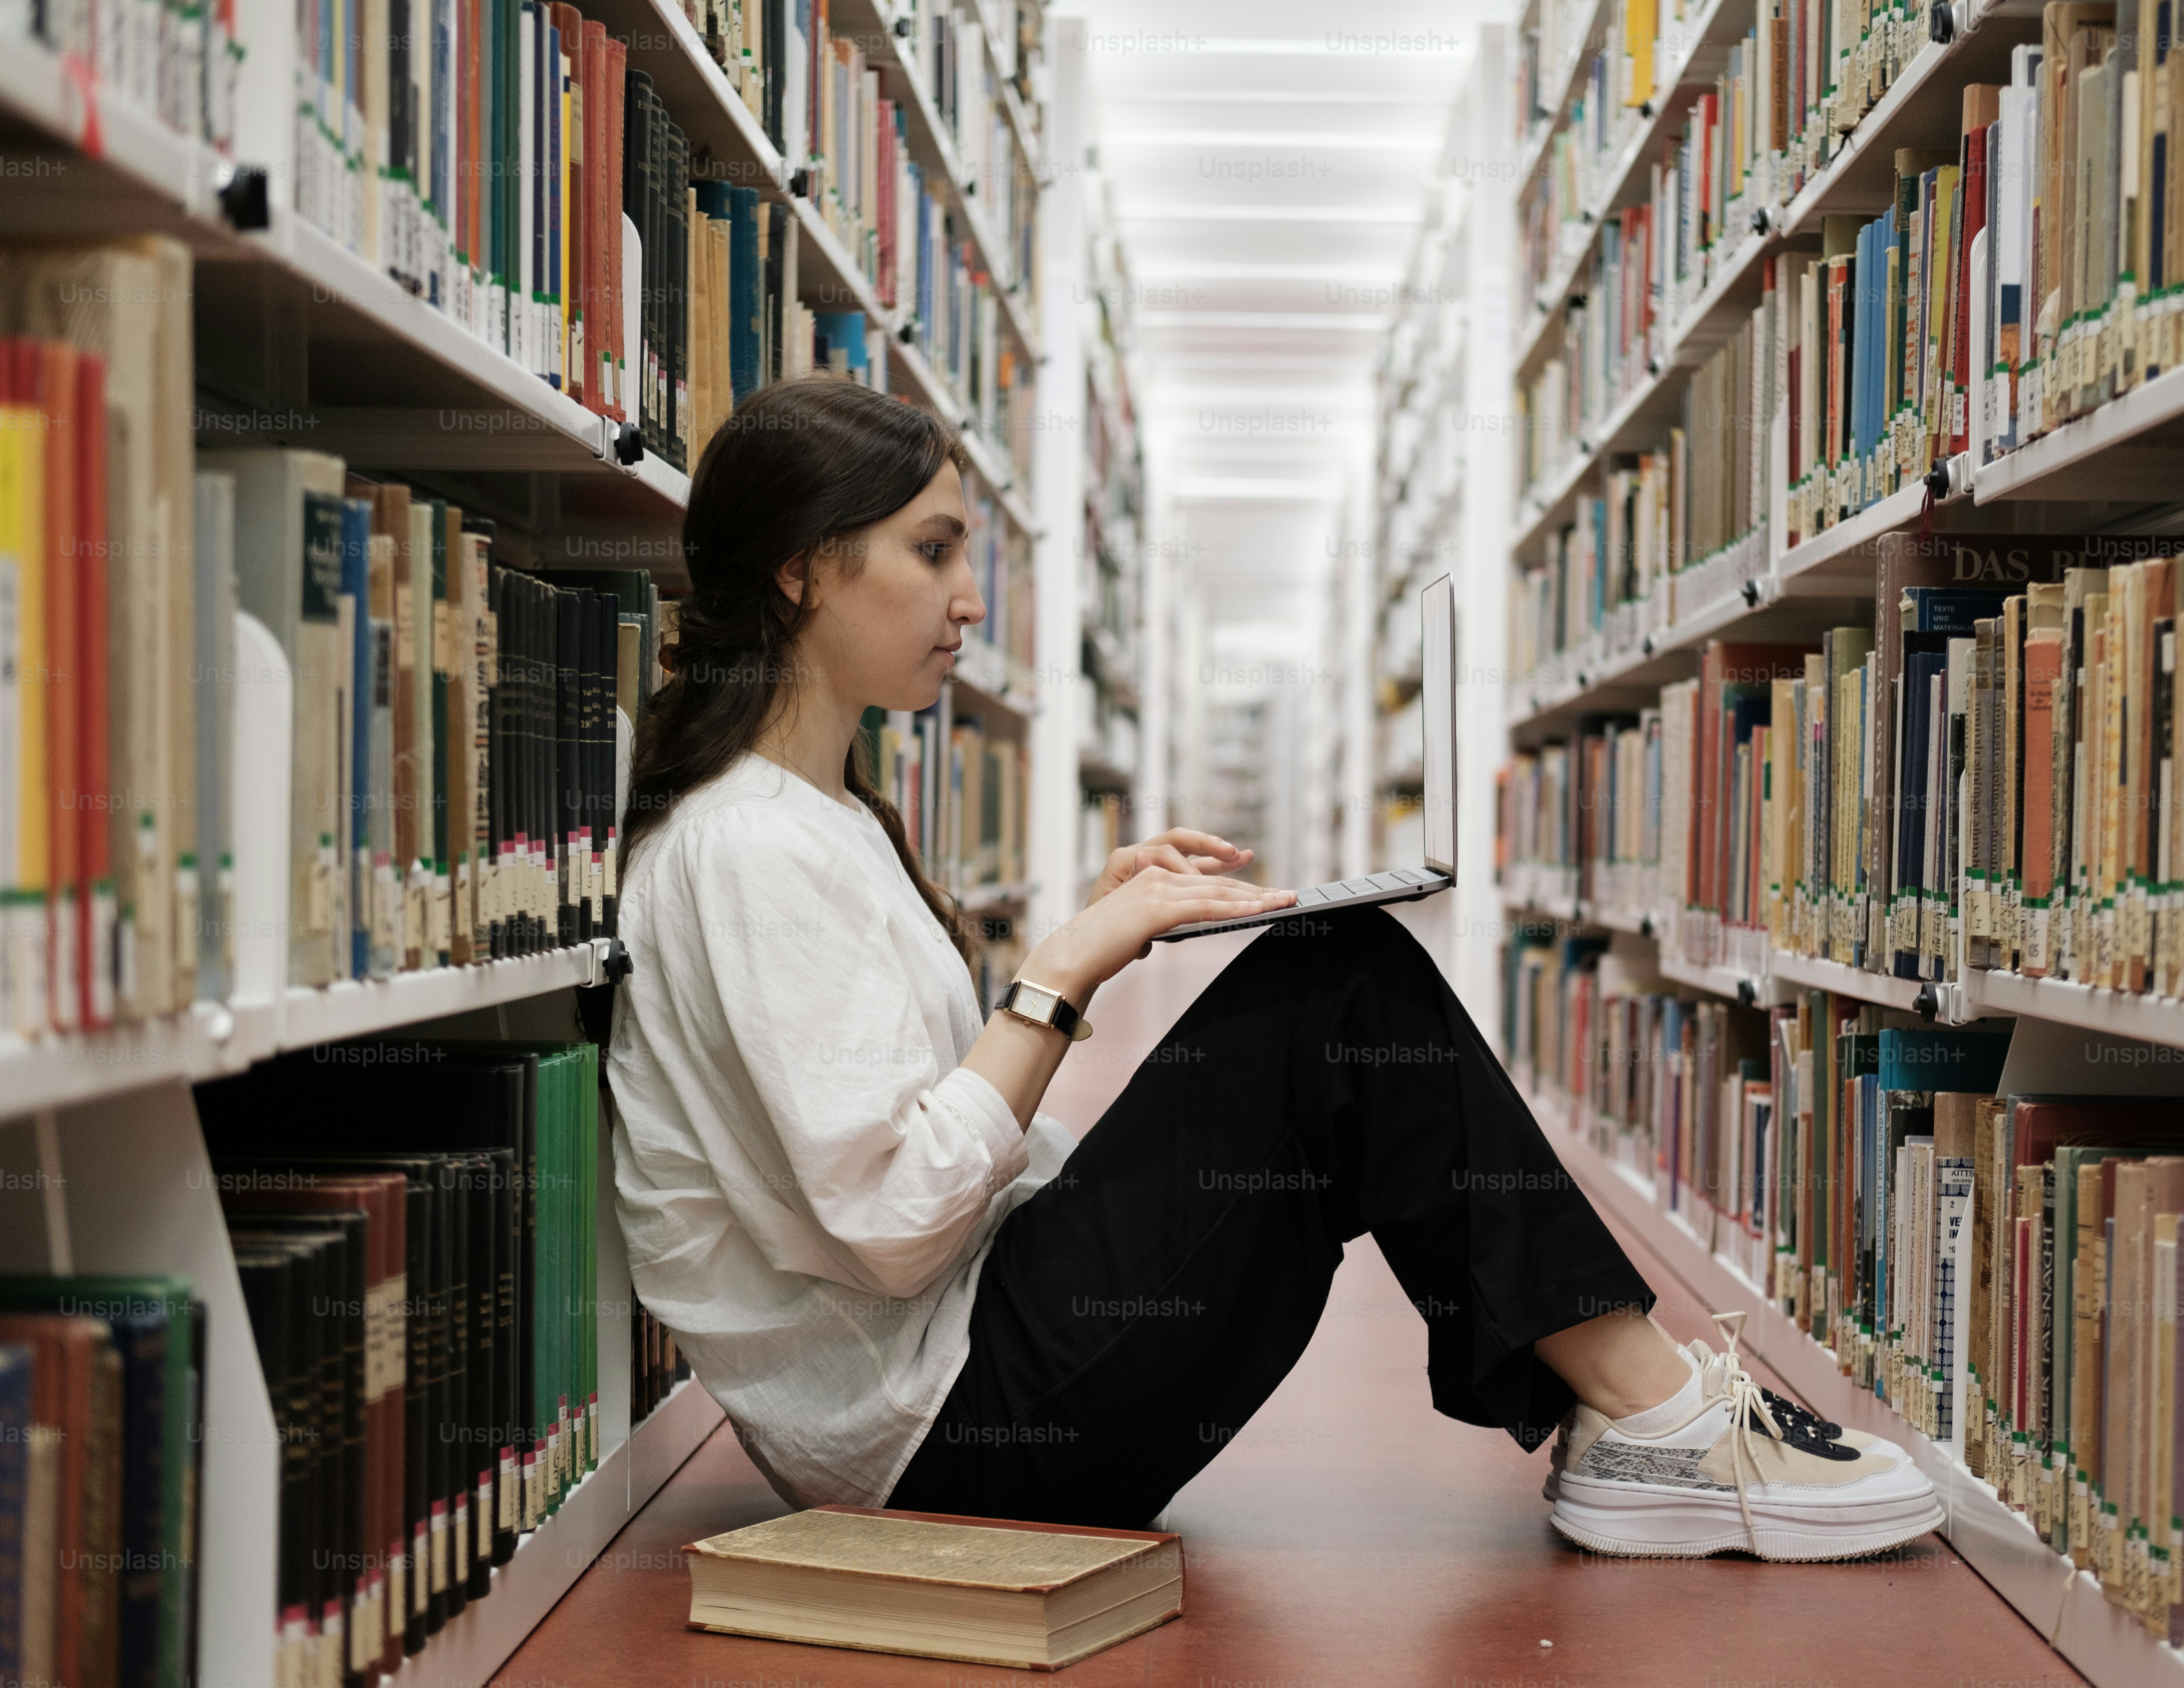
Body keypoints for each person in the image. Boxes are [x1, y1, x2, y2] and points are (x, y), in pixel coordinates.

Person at [606, 377, 1940, 1562]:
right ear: (801, 570)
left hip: (967, 1367)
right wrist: (1063, 974)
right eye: (934, 549)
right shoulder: (746, 850)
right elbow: (893, 1230)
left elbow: (901, 1135)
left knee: (1333, 982)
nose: (970, 599)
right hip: (948, 1439)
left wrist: (1120, 1040)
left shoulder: (819, 818)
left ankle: (1633, 1408)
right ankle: (1650, 1415)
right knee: (1336, 990)